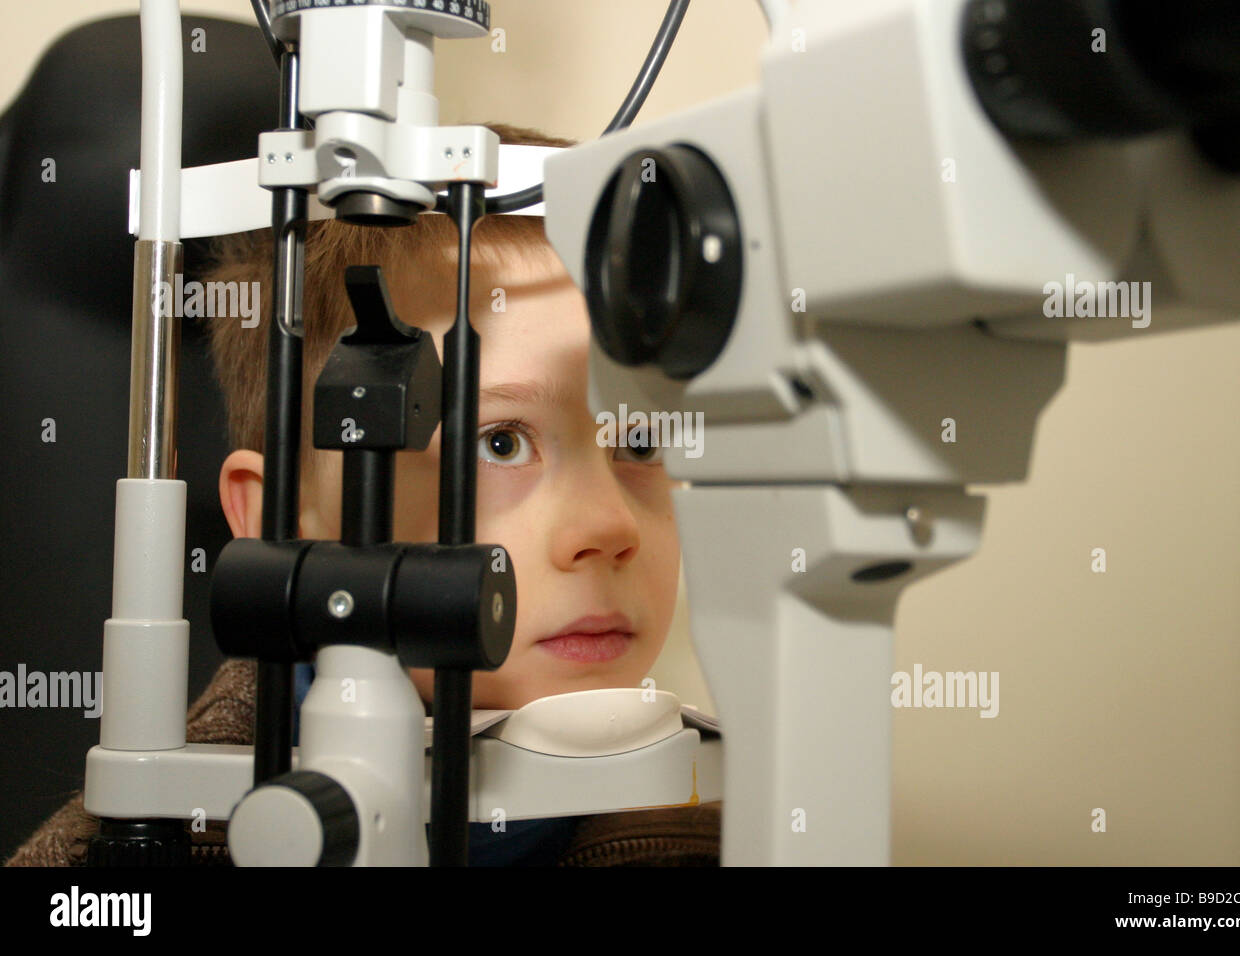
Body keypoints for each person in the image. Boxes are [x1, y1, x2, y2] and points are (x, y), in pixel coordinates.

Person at [5, 123, 720, 867]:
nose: (607, 526)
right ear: (280, 522)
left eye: (640, 442)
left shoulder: (728, 824)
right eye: (500, 441)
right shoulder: (143, 840)